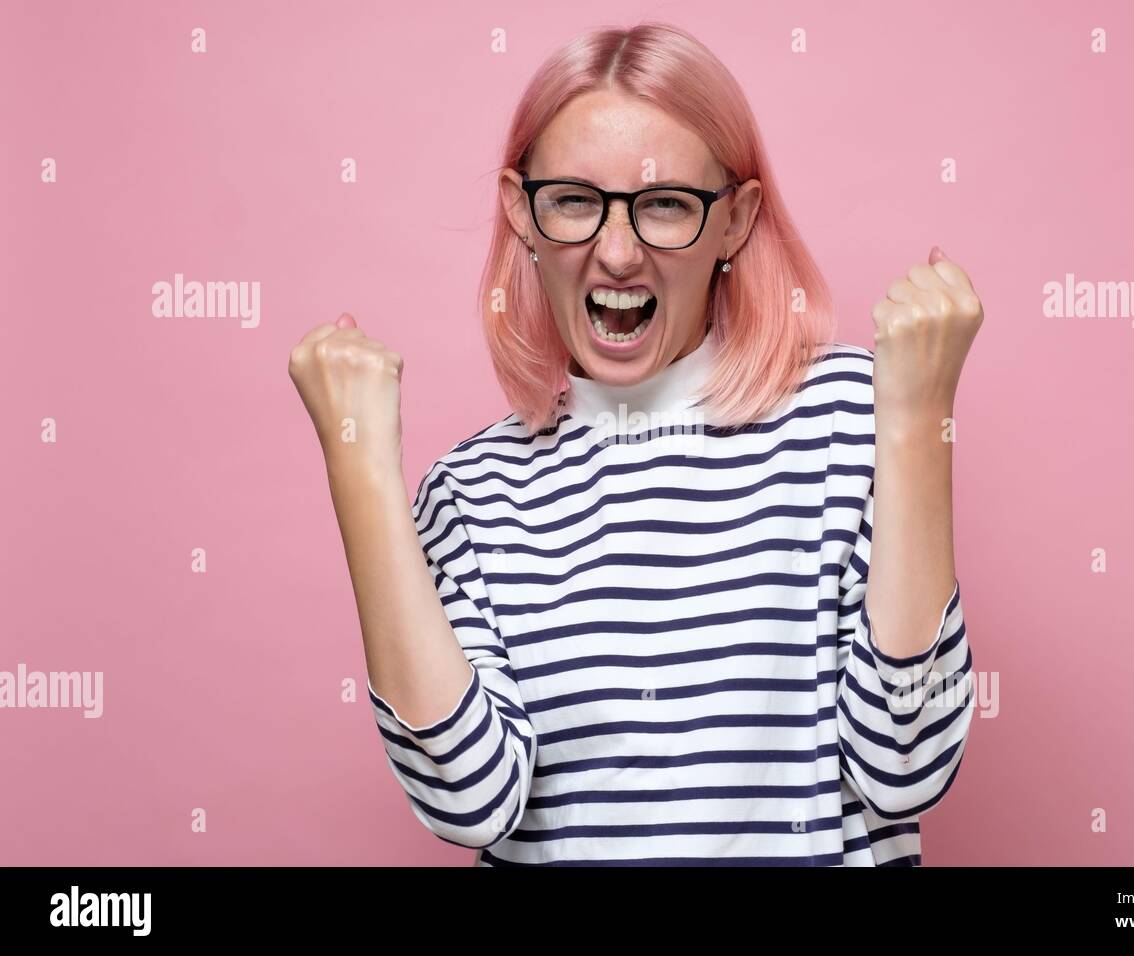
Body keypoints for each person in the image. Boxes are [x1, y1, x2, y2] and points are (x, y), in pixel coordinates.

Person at [289, 20, 983, 866]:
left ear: (735, 222)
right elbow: (468, 802)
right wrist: (358, 466)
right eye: (575, 201)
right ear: (522, 214)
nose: (616, 254)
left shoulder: (848, 419)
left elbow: (906, 767)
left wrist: (918, 422)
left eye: (664, 206)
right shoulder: (472, 493)